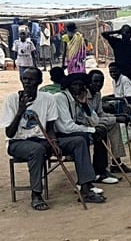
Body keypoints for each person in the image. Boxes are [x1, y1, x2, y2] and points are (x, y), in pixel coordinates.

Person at [1, 68, 105, 209]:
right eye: (25, 79)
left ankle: (86, 187)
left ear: (39, 82)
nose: (27, 83)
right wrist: (20, 112)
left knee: (79, 141)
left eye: (31, 80)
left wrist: (54, 142)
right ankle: (36, 195)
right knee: (36, 150)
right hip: (19, 142)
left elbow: (50, 127)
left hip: (43, 140)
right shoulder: (12, 100)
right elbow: (9, 133)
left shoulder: (47, 99)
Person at [52, 73, 115, 193]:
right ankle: (84, 182)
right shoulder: (60, 98)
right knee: (82, 137)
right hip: (58, 135)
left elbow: (95, 121)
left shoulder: (77, 98)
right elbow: (66, 127)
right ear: (68, 86)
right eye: (75, 85)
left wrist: (85, 104)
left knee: (101, 130)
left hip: (72, 131)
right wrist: (91, 130)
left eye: (81, 85)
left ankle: (100, 171)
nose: (78, 88)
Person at [87, 70, 131, 176]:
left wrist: (116, 117)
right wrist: (116, 119)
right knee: (104, 128)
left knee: (114, 124)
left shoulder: (97, 94)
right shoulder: (85, 95)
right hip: (86, 124)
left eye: (101, 81)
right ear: (89, 82)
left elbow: (100, 114)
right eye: (95, 81)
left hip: (95, 120)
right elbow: (91, 119)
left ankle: (116, 163)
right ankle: (100, 168)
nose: (99, 84)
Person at [101, 25, 131, 94]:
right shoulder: (116, 42)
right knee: (119, 98)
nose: (127, 34)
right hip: (119, 75)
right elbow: (104, 34)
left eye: (129, 32)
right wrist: (117, 31)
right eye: (125, 32)